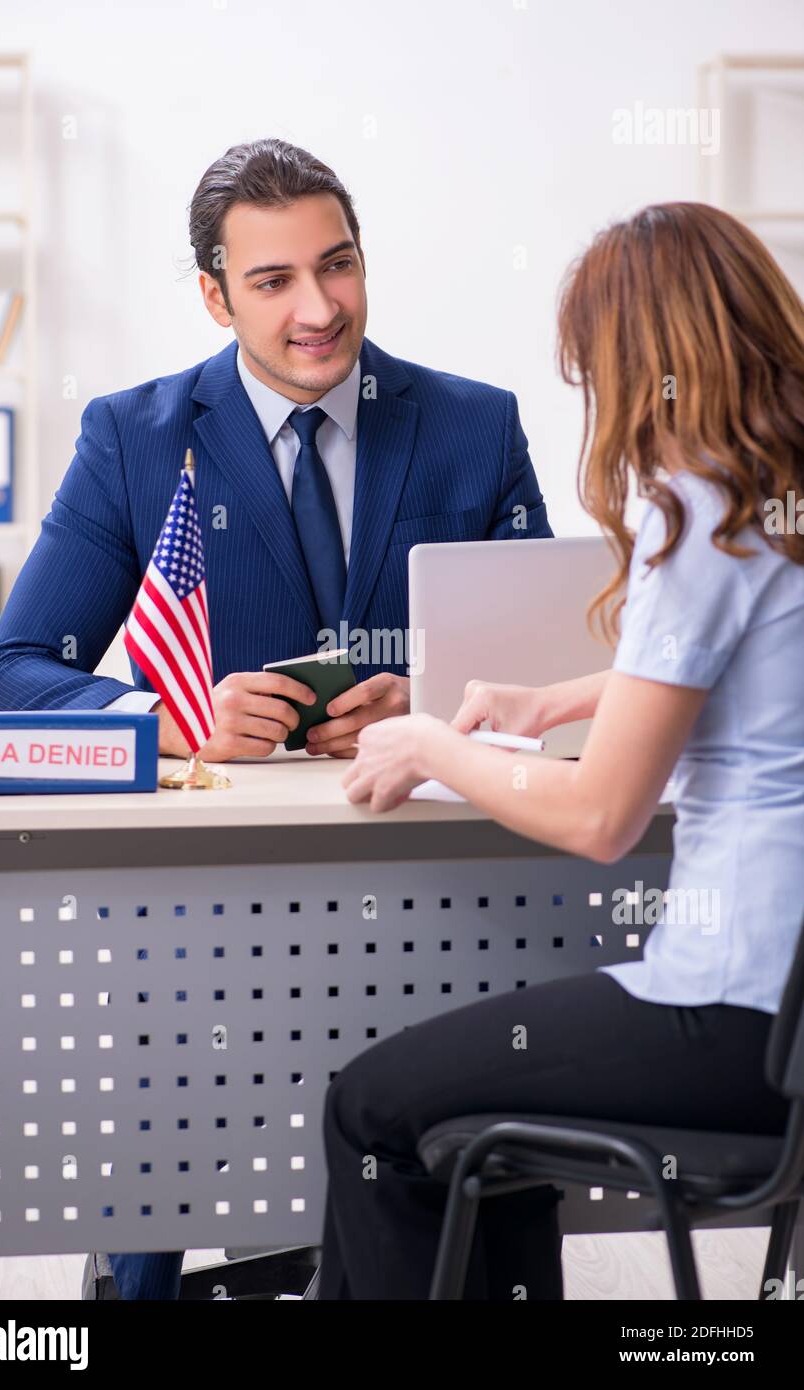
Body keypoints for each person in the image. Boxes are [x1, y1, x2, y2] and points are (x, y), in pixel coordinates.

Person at [0, 138, 552, 1299]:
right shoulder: (134, 437)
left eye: (336, 266)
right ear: (213, 294)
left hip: (436, 890)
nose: (318, 308)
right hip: (206, 905)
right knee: (158, 1132)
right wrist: (172, 716)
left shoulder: (474, 427)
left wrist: (433, 704)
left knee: (505, 1097)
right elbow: (17, 676)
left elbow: (552, 676)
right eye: (274, 280)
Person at [322, 201, 804, 1299]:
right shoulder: (779, 504)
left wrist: (431, 742)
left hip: (734, 1022)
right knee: (470, 1096)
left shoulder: (707, 511)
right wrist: (556, 699)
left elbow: (600, 819)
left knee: (369, 1107)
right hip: (786, 1022)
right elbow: (753, 681)